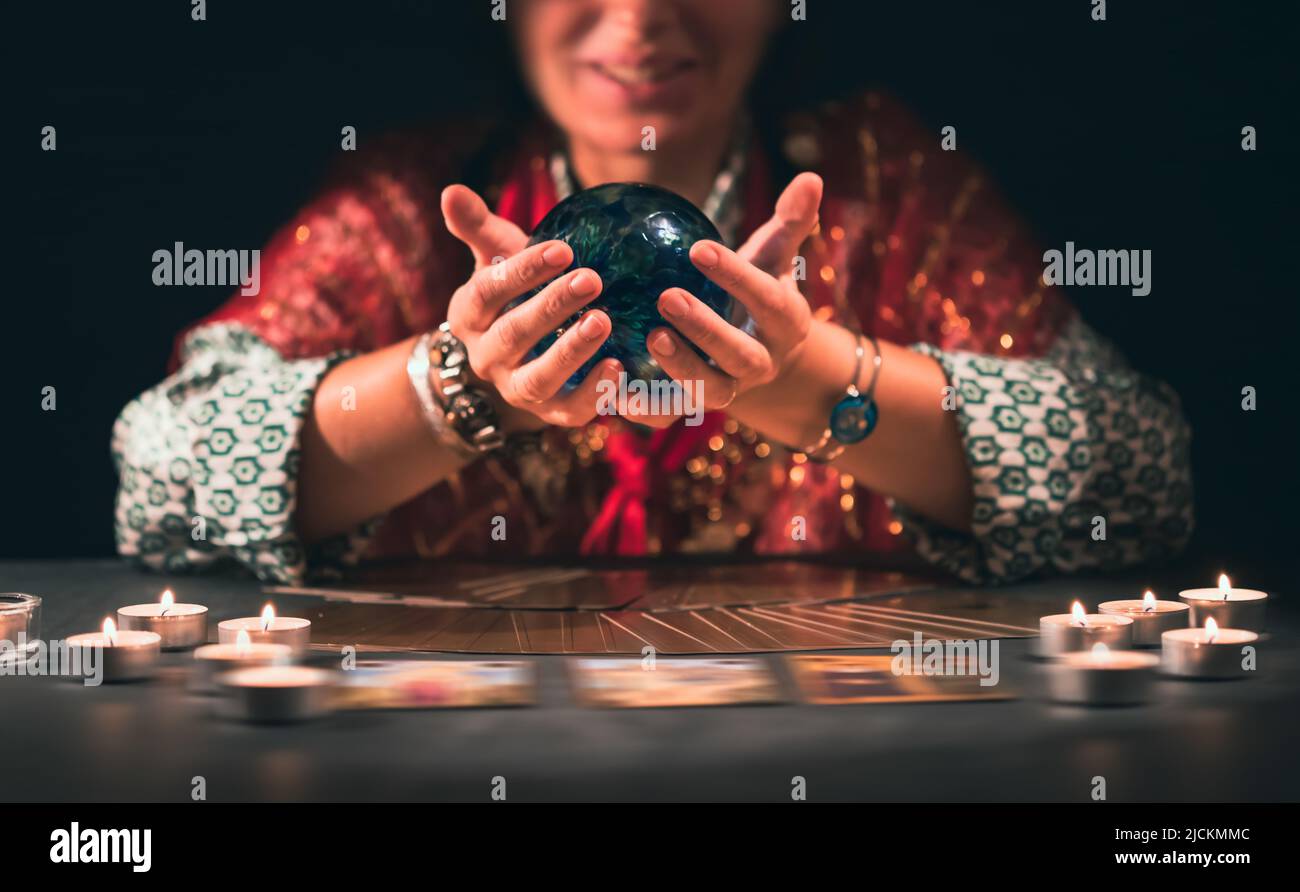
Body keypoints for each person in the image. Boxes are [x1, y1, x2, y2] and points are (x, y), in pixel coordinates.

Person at [112, 0, 1192, 586]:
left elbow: (1138, 477)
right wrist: (458, 391)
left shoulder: (888, 185)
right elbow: (160, 474)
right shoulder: (404, 204)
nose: (637, 22)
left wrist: (808, 381)